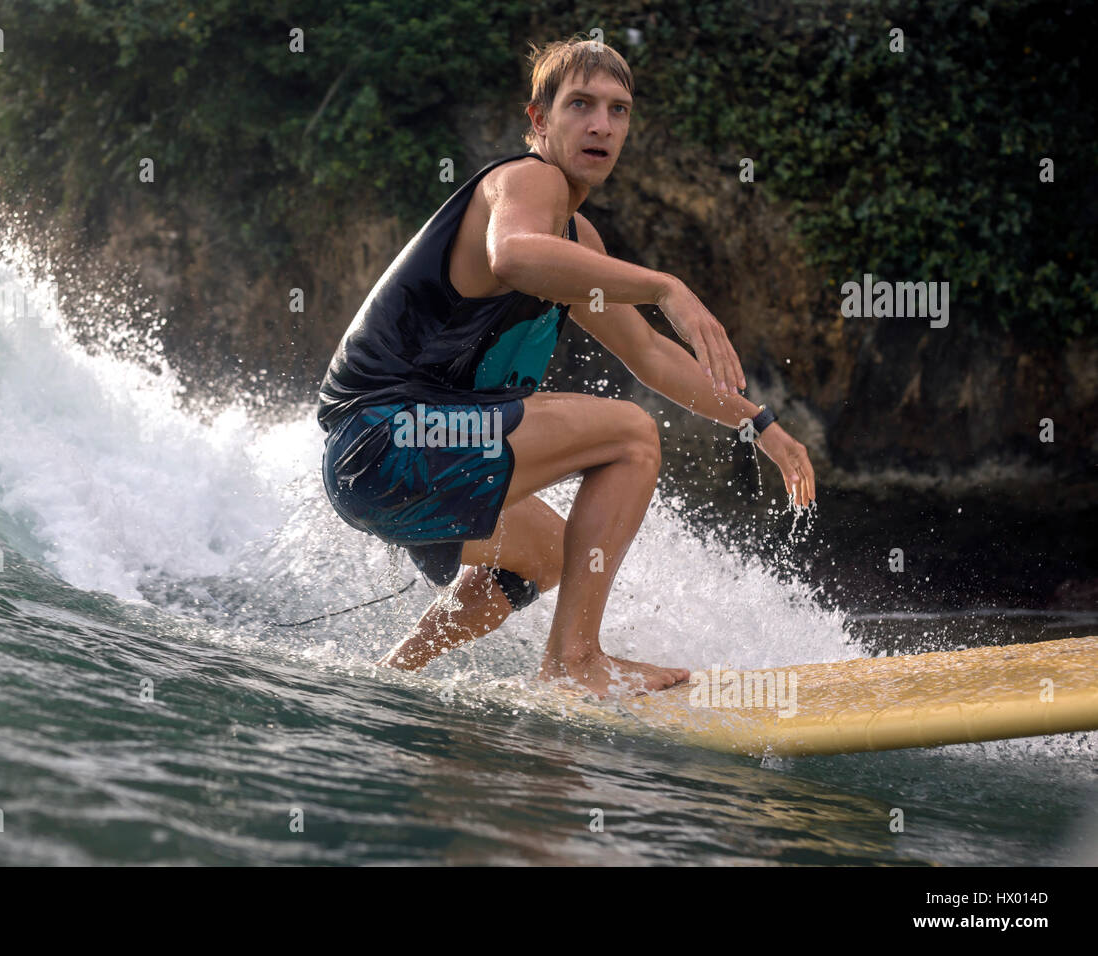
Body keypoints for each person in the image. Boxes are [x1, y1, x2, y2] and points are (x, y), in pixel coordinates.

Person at [317, 36, 816, 696]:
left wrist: (761, 425)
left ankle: (393, 677)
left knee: (545, 556)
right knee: (631, 434)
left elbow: (648, 354)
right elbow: (513, 256)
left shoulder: (578, 241)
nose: (602, 125)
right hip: (391, 438)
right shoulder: (526, 181)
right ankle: (575, 662)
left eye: (619, 110)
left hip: (384, 462)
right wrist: (667, 286)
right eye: (580, 104)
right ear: (539, 120)